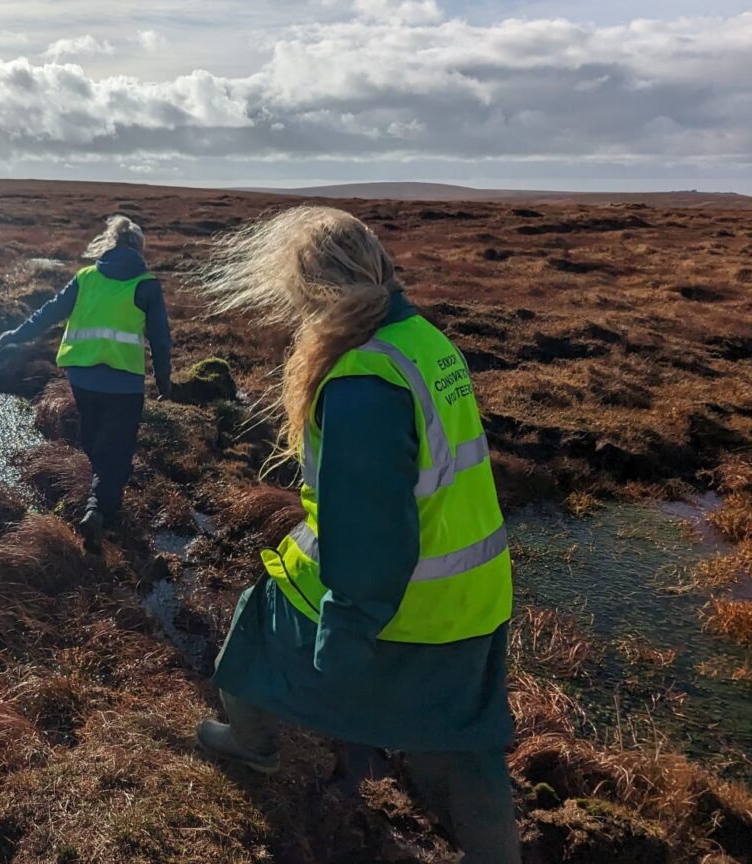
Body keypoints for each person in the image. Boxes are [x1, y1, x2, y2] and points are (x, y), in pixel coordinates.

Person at [193, 207, 518, 864]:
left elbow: (370, 530)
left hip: (401, 607)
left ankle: (252, 745)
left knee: (255, 626)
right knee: (467, 750)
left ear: (312, 290)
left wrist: (347, 628)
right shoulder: (421, 340)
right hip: (474, 600)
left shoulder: (364, 378)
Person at [0, 215, 171, 552]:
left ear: (110, 243)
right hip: (124, 383)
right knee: (116, 451)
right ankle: (99, 511)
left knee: (94, 440)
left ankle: (99, 495)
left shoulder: (86, 277)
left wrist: (15, 335)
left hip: (82, 377)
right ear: (139, 248)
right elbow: (160, 341)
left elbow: (49, 312)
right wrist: (164, 381)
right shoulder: (147, 284)